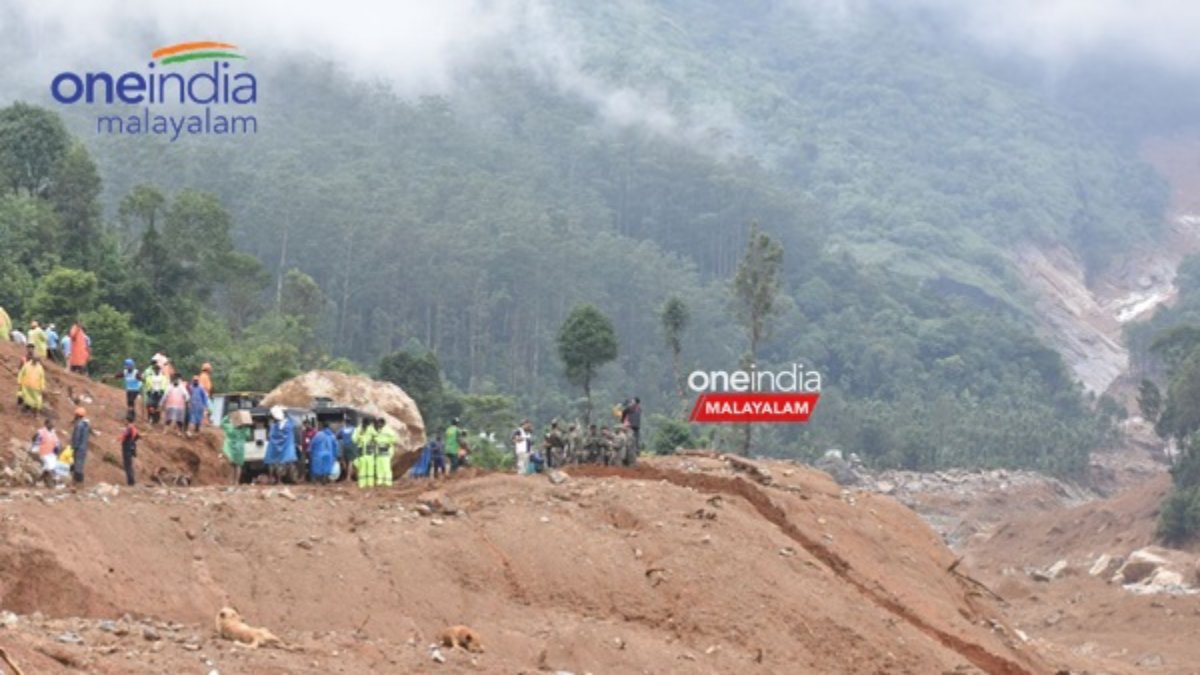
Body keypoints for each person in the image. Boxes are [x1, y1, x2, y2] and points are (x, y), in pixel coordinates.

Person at [265, 406, 297, 484]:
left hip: (273, 448)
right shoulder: (288, 426)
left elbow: (269, 436)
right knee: (282, 464)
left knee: (272, 463)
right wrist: (286, 411)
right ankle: (281, 480)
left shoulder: (273, 426)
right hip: (285, 449)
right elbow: (293, 421)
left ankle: (271, 479)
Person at [220, 413, 250, 485]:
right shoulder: (244, 430)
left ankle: (231, 481)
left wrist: (228, 416)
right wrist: (246, 426)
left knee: (231, 465)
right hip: (239, 449)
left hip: (230, 449)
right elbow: (248, 436)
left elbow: (222, 423)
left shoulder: (230, 428)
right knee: (238, 465)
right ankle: (236, 481)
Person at [33, 418, 60, 488]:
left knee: (48, 467)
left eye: (53, 423)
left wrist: (57, 448)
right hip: (43, 452)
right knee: (50, 466)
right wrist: (35, 446)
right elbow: (35, 440)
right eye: (50, 423)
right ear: (46, 424)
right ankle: (52, 483)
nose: (52, 425)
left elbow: (57, 442)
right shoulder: (41, 432)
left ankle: (39, 481)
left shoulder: (53, 433)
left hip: (51, 453)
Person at [372, 417, 397, 487]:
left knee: (386, 466)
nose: (378, 424)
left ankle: (388, 482)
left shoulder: (388, 430)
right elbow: (378, 439)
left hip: (386, 448)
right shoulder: (379, 430)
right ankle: (380, 481)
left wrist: (388, 444)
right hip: (379, 449)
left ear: (382, 423)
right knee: (379, 465)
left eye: (379, 423)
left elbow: (394, 439)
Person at [353, 416, 377, 488]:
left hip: (361, 448)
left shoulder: (358, 429)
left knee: (362, 467)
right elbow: (376, 435)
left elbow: (354, 439)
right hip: (369, 448)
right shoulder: (371, 428)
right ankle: (370, 484)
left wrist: (359, 439)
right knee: (370, 466)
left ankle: (362, 484)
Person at [70, 406, 91, 485]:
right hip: (84, 447)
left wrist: (73, 447)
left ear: (77, 415)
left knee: (77, 466)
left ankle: (77, 483)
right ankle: (80, 483)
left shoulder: (79, 425)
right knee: (80, 465)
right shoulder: (87, 424)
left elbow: (76, 437)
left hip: (78, 448)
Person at [143, 361, 169, 425]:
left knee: (158, 406)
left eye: (157, 369)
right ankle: (150, 418)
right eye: (155, 369)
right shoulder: (150, 376)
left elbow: (164, 384)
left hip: (159, 393)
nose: (156, 370)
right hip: (152, 392)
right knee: (150, 405)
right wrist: (148, 390)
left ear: (159, 370)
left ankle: (156, 419)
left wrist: (162, 390)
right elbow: (147, 383)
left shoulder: (163, 377)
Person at [118, 410, 139, 486]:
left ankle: (131, 481)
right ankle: (131, 481)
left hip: (127, 446)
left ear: (127, 420)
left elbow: (123, 436)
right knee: (129, 464)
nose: (124, 421)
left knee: (127, 465)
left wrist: (118, 438)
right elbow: (137, 437)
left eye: (125, 420)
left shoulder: (129, 428)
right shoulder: (133, 428)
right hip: (132, 446)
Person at [337, 416, 359, 483]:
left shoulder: (342, 429)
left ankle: (346, 476)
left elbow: (337, 436)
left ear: (345, 422)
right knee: (350, 462)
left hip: (344, 446)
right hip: (351, 446)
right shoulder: (354, 429)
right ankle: (348, 477)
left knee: (344, 461)